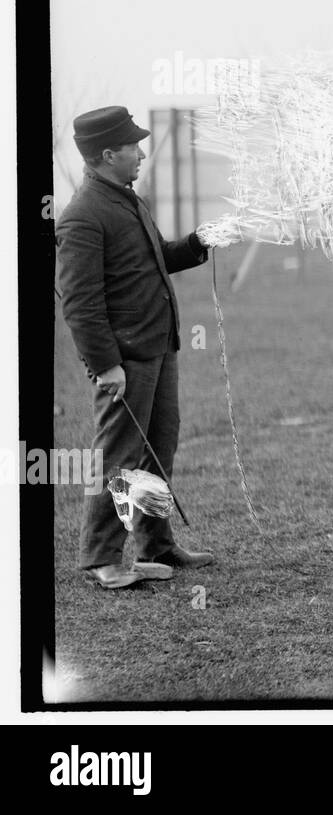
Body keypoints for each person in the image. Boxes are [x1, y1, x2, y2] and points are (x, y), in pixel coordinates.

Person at [56, 106, 218, 590]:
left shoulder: (129, 200)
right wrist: (106, 365)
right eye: (132, 146)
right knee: (118, 458)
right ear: (108, 154)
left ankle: (156, 544)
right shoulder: (82, 217)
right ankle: (100, 559)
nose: (141, 152)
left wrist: (196, 243)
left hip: (158, 348)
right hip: (124, 360)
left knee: (156, 451)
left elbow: (156, 259)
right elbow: (81, 305)